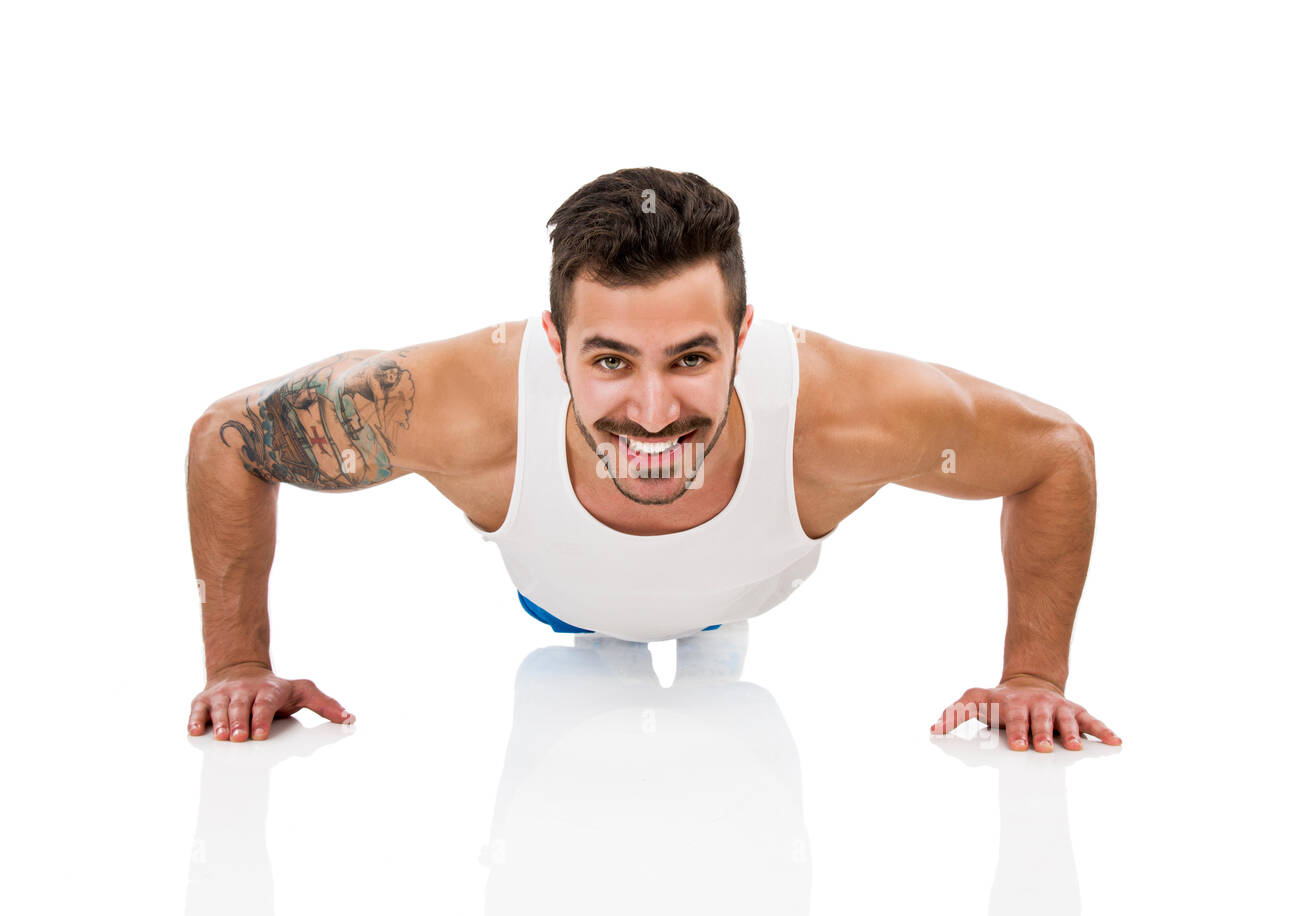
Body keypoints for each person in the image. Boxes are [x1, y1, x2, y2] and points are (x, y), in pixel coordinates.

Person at [186, 167, 1122, 754]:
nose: (652, 411)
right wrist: (237, 666)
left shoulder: (845, 415)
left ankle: (708, 631)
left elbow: (1053, 456)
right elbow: (229, 440)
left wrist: (1032, 678)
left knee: (719, 642)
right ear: (553, 345)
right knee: (585, 643)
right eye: (608, 360)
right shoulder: (460, 406)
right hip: (557, 590)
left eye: (692, 358)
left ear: (743, 336)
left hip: (752, 583)